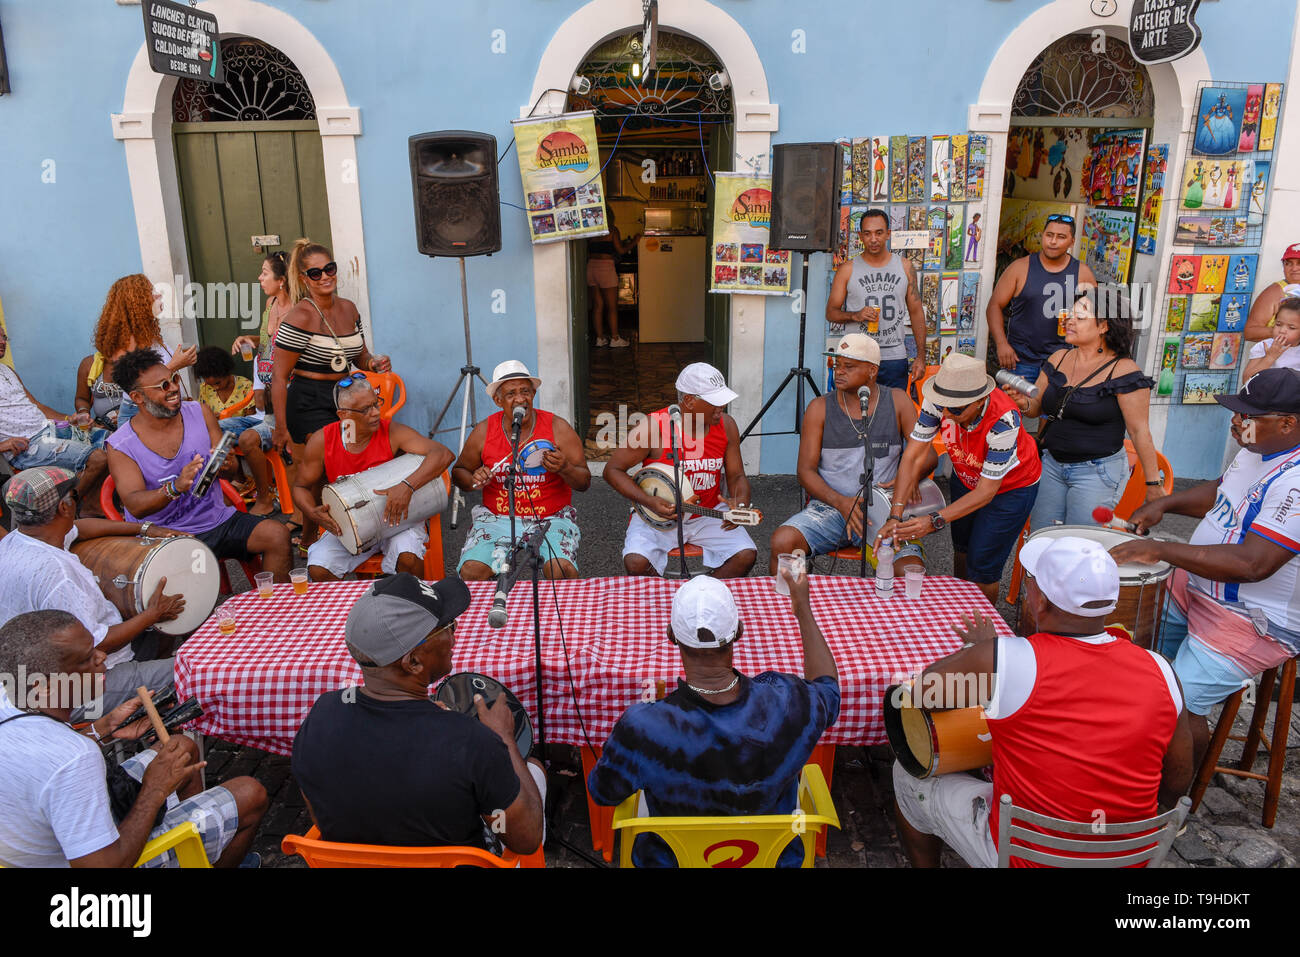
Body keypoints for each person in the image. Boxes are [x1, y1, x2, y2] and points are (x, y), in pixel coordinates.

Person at [892, 537, 1193, 868]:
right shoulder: (1162, 669)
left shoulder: (1005, 659)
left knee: (905, 777)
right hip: (1128, 859)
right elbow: (1177, 781)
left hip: (1027, 859)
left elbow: (922, 693)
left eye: (1032, 584)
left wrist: (983, 653)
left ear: (1042, 603)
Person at [1110, 368, 1300, 769]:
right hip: (1196, 587)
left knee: (1172, 703)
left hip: (1249, 620)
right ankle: (1126, 751)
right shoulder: (1256, 449)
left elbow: (1253, 564)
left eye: (1248, 415)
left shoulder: (1296, 482)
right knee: (1129, 649)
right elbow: (1221, 491)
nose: (1236, 421)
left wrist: (1160, 548)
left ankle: (1171, 803)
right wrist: (1166, 502)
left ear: (1287, 423)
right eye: (1236, 412)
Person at [586, 570, 839, 868]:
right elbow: (828, 691)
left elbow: (604, 792)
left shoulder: (642, 727)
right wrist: (803, 609)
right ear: (739, 632)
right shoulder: (788, 701)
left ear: (671, 636)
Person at [292, 574, 544, 854]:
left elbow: (319, 813)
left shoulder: (320, 715)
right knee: (533, 769)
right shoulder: (473, 742)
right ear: (412, 661)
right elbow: (527, 839)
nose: (454, 634)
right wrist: (503, 738)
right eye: (447, 627)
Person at [0, 610, 267, 867]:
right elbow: (103, 866)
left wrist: (104, 727)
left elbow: (47, 765)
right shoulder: (74, 758)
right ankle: (199, 849)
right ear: (45, 687)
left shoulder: (11, 697)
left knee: (183, 748)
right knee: (250, 794)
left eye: (95, 648)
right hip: (97, 865)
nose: (102, 657)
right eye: (85, 660)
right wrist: (155, 788)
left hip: (40, 836)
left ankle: (199, 851)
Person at [0, 466, 183, 713]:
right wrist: (153, 614)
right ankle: (157, 723)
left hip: (31, 676)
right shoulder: (58, 576)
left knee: (156, 630)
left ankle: (153, 703)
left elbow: (81, 528)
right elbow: (99, 645)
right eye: (76, 496)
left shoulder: (18, 539)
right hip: (79, 689)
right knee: (188, 670)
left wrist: (145, 529)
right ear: (64, 508)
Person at [106, 348, 292, 581]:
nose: (174, 388)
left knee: (277, 535)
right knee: (194, 596)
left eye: (174, 380)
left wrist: (228, 466)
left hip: (216, 520)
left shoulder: (199, 413)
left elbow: (230, 473)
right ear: (137, 398)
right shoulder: (121, 444)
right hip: (164, 536)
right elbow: (134, 504)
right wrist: (175, 487)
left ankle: (278, 611)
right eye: (163, 386)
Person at [881, 353, 1041, 603]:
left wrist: (933, 520)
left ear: (980, 401)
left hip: (1011, 488)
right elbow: (912, 457)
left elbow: (986, 492)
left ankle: (983, 629)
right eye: (942, 406)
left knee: (982, 565)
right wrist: (895, 513)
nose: (945, 414)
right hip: (967, 475)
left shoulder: (1004, 420)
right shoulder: (939, 401)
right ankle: (959, 608)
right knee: (963, 549)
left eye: (955, 409)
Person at [770, 334, 936, 573]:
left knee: (909, 570)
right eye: (837, 364)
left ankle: (887, 611)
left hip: (886, 510)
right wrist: (842, 503)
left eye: (849, 366)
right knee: (783, 542)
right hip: (831, 508)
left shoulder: (898, 401)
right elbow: (805, 472)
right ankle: (787, 608)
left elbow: (927, 455)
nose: (839, 371)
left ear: (871, 370)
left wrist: (907, 476)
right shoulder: (819, 408)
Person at [1005, 290, 1161, 531]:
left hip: (1096, 472)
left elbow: (1140, 431)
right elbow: (1035, 408)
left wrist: (1153, 485)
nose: (1069, 321)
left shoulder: (1124, 372)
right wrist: (1021, 402)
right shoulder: (1059, 358)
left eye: (1080, 317)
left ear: (1103, 326)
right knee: (1043, 537)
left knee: (1078, 546)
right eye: (1070, 315)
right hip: (1052, 465)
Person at [293, 375, 454, 581]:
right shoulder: (322, 440)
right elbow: (300, 487)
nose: (376, 412)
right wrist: (312, 512)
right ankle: (352, 610)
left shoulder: (391, 431)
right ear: (343, 415)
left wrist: (407, 486)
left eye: (376, 404)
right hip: (351, 525)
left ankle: (412, 606)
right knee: (319, 567)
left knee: (408, 558)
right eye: (365, 409)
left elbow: (442, 454)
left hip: (397, 521)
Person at [605, 362, 757, 579]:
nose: (721, 407)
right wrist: (648, 501)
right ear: (689, 401)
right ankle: (670, 602)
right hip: (657, 514)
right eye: (715, 402)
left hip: (709, 513)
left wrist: (740, 503)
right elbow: (613, 470)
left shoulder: (727, 425)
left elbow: (737, 475)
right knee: (636, 563)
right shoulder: (653, 426)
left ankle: (701, 594)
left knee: (745, 555)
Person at [452, 360, 589, 581]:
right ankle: (493, 615)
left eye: (525, 391)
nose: (520, 399)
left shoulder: (558, 427)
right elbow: (459, 472)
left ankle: (554, 615)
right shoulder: (484, 431)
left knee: (561, 571)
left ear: (533, 393)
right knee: (471, 572)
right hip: (496, 517)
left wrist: (565, 468)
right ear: (498, 400)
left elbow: (584, 482)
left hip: (550, 517)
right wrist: (473, 479)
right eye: (510, 394)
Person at [270, 238, 391, 454]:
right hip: (309, 402)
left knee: (354, 456)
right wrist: (281, 428)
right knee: (333, 458)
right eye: (316, 273)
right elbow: (279, 377)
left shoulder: (349, 308)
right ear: (304, 278)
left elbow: (359, 356)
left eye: (329, 269)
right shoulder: (300, 317)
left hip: (345, 399)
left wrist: (373, 363)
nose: (325, 276)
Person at [1, 325, 109, 510]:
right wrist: (3, 446)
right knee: (98, 458)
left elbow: (38, 407)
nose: (2, 342)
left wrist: (70, 419)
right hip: (28, 446)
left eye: (4, 337)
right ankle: (68, 507)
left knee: (116, 445)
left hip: (50, 430)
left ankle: (91, 508)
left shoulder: (7, 370)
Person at [986, 214, 1097, 381]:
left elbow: (1097, 317)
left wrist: (1088, 355)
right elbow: (994, 306)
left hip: (1062, 362)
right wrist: (1002, 344)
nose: (1053, 241)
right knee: (1015, 407)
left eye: (1061, 237)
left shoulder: (1082, 273)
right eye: (1049, 235)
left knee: (1052, 408)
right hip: (1019, 361)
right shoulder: (1020, 267)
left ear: (1072, 241)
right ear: (1043, 235)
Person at [79, 274, 198, 429]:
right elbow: (137, 390)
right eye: (151, 292)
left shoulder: (151, 338)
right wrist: (175, 365)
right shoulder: (128, 347)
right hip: (145, 426)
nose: (159, 295)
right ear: (136, 303)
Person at [825, 209, 926, 389]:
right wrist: (855, 315)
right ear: (860, 236)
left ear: (888, 234)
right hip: (857, 357)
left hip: (894, 357)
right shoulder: (847, 270)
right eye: (867, 233)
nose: (873, 239)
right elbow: (831, 313)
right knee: (853, 414)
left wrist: (920, 357)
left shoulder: (905, 267)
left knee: (892, 413)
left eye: (879, 233)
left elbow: (916, 312)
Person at [195, 346, 276, 516]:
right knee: (213, 430)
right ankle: (226, 484)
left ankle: (261, 494)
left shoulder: (245, 383)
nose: (215, 388)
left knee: (239, 434)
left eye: (217, 383)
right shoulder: (259, 360)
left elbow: (258, 406)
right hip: (253, 420)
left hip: (266, 418)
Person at [231, 250, 292, 416]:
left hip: (289, 392)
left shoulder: (299, 310)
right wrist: (249, 339)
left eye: (265, 273)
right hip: (268, 391)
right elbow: (269, 340)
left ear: (281, 280)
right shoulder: (270, 303)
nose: (260, 278)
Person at [587, 207, 639, 348]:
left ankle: (599, 338)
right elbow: (621, 250)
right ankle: (615, 339)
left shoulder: (591, 230)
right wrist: (635, 240)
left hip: (591, 267)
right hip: (605, 268)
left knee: (597, 306)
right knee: (612, 307)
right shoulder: (612, 230)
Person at [1243, 243, 1300, 342]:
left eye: (1299, 263)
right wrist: (1285, 330)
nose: (1294, 268)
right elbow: (1250, 332)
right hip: (1280, 355)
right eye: (1288, 263)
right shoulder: (1275, 292)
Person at [1243, 297, 1300, 379]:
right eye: (1278, 324)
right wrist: (1270, 357)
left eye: (1291, 327)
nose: (1282, 330)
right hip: (1265, 391)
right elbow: (1247, 380)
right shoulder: (1264, 346)